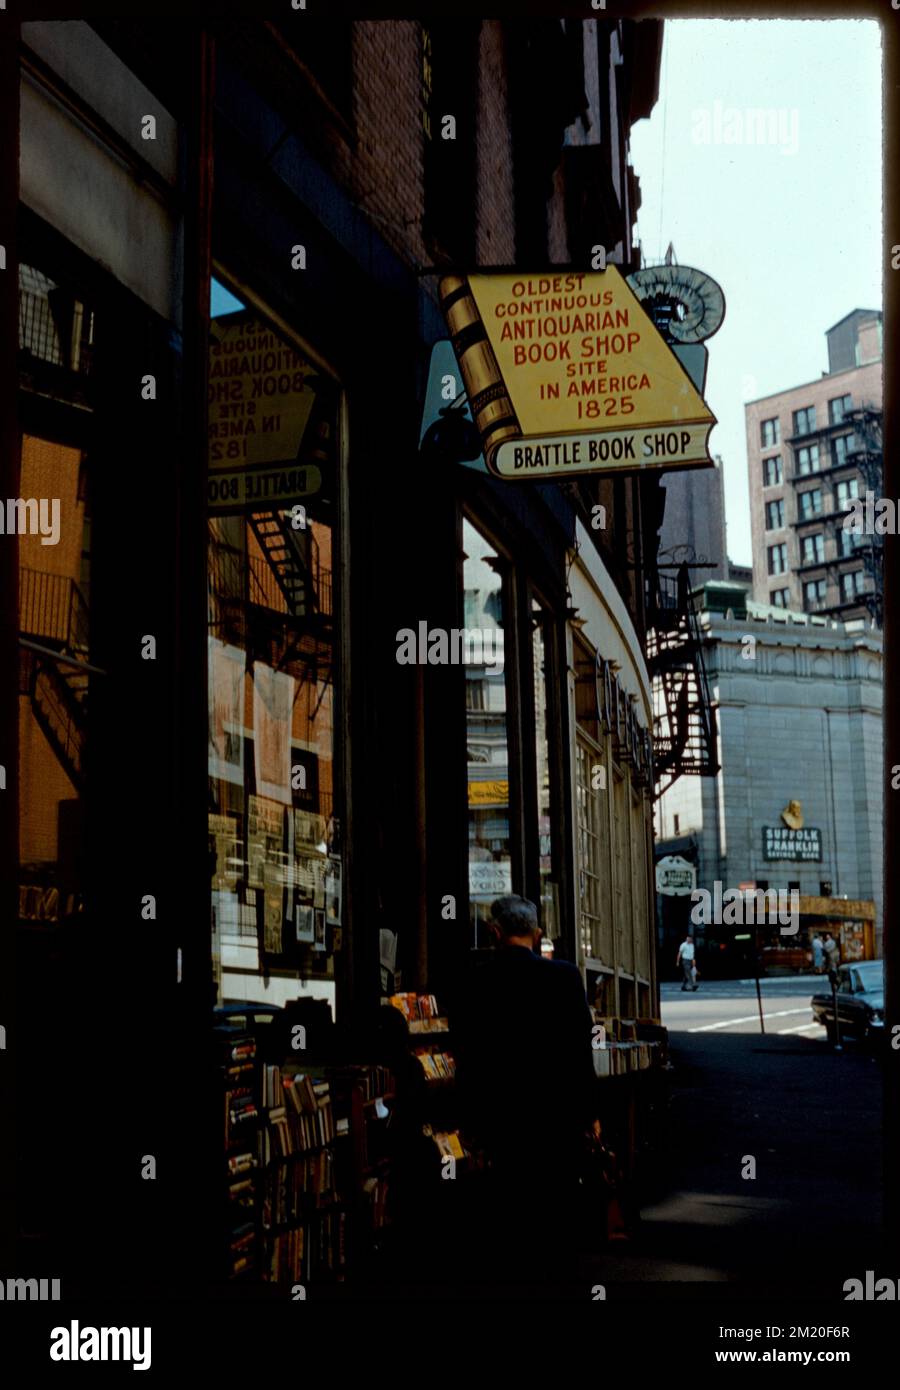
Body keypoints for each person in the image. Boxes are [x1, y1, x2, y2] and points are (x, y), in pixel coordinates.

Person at [451, 895, 598, 1284]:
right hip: (557, 1118)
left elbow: (466, 1054)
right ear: (537, 934)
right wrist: (588, 1113)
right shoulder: (565, 978)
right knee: (556, 1208)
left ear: (495, 933)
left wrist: (467, 1117)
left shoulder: (476, 981)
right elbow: (580, 1051)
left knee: (508, 1208)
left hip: (501, 1119)